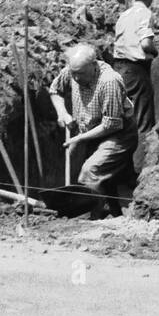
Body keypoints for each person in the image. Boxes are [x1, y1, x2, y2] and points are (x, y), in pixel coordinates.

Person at [48, 43, 138, 219]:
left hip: (118, 135)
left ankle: (92, 218)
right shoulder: (73, 70)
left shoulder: (109, 81)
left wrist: (79, 139)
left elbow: (111, 124)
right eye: (73, 72)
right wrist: (63, 113)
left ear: (93, 64)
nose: (75, 77)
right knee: (106, 182)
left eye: (80, 73)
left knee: (90, 171)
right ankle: (114, 214)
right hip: (91, 133)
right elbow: (55, 90)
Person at [113, 0, 159, 171]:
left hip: (117, 69)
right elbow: (146, 43)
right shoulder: (145, 14)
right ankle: (141, 171)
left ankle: (122, 172)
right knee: (142, 122)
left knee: (123, 123)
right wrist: (154, 51)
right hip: (135, 70)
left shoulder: (124, 15)